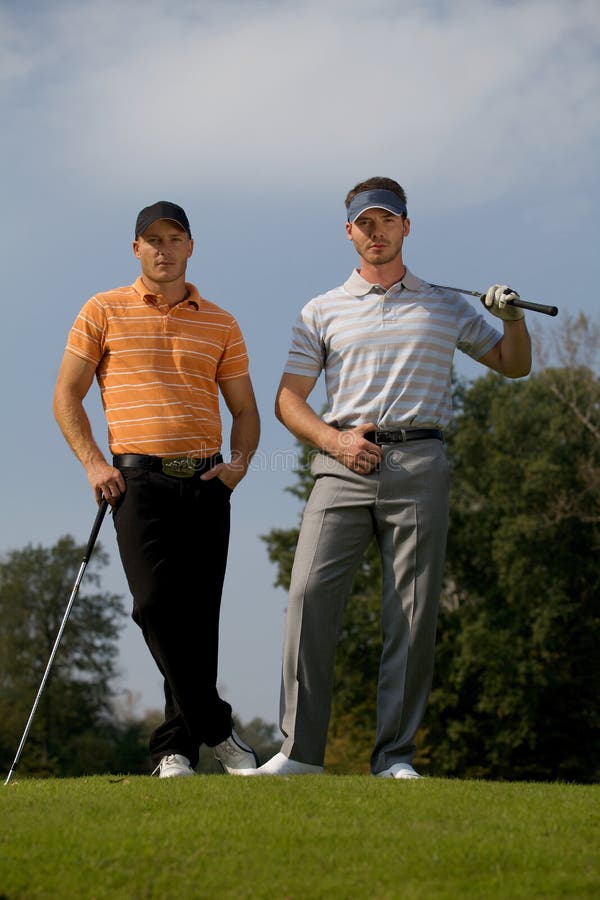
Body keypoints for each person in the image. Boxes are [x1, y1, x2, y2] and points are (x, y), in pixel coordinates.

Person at [243, 176, 531, 778]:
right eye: (365, 223)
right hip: (341, 463)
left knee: (411, 611)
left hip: (421, 463)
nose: (377, 233)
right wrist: (335, 441)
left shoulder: (446, 303)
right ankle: (299, 753)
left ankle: (394, 757)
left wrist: (512, 319)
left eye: (388, 221)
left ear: (406, 227)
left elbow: (512, 366)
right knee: (307, 597)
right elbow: (289, 400)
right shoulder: (319, 309)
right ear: (350, 232)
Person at [53, 201, 261, 778]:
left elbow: (244, 409)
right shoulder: (102, 309)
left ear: (190, 247)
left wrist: (239, 465)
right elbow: (66, 396)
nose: (163, 249)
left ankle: (174, 750)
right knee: (154, 607)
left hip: (205, 479)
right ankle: (219, 731)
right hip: (135, 481)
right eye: (152, 240)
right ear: (135, 249)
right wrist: (95, 464)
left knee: (198, 619)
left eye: (174, 238)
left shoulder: (221, 321)